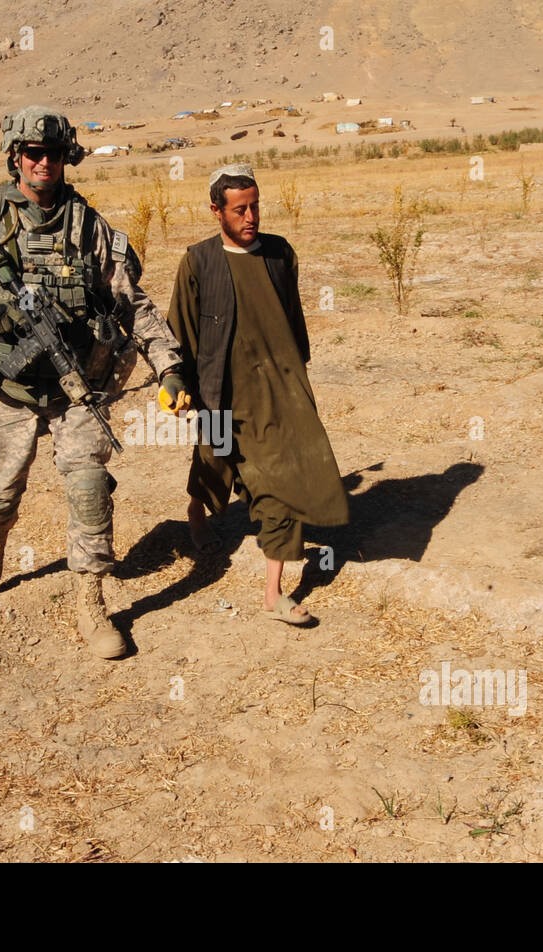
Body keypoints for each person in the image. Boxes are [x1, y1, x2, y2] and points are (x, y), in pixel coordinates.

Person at [0, 105, 189, 659]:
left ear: (66, 158)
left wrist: (169, 366)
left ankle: (91, 601)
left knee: (89, 487)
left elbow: (132, 303)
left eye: (53, 154)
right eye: (33, 153)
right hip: (4, 389)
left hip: (77, 384)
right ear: (15, 157)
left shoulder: (88, 227)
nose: (43, 163)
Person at [166, 164, 348, 625]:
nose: (251, 217)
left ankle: (273, 593)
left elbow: (293, 318)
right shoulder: (199, 262)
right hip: (221, 391)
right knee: (214, 459)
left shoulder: (279, 253)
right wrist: (176, 382)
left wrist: (297, 372)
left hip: (277, 393)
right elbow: (179, 331)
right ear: (216, 211)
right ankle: (196, 511)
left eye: (255, 207)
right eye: (239, 210)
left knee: (278, 484)